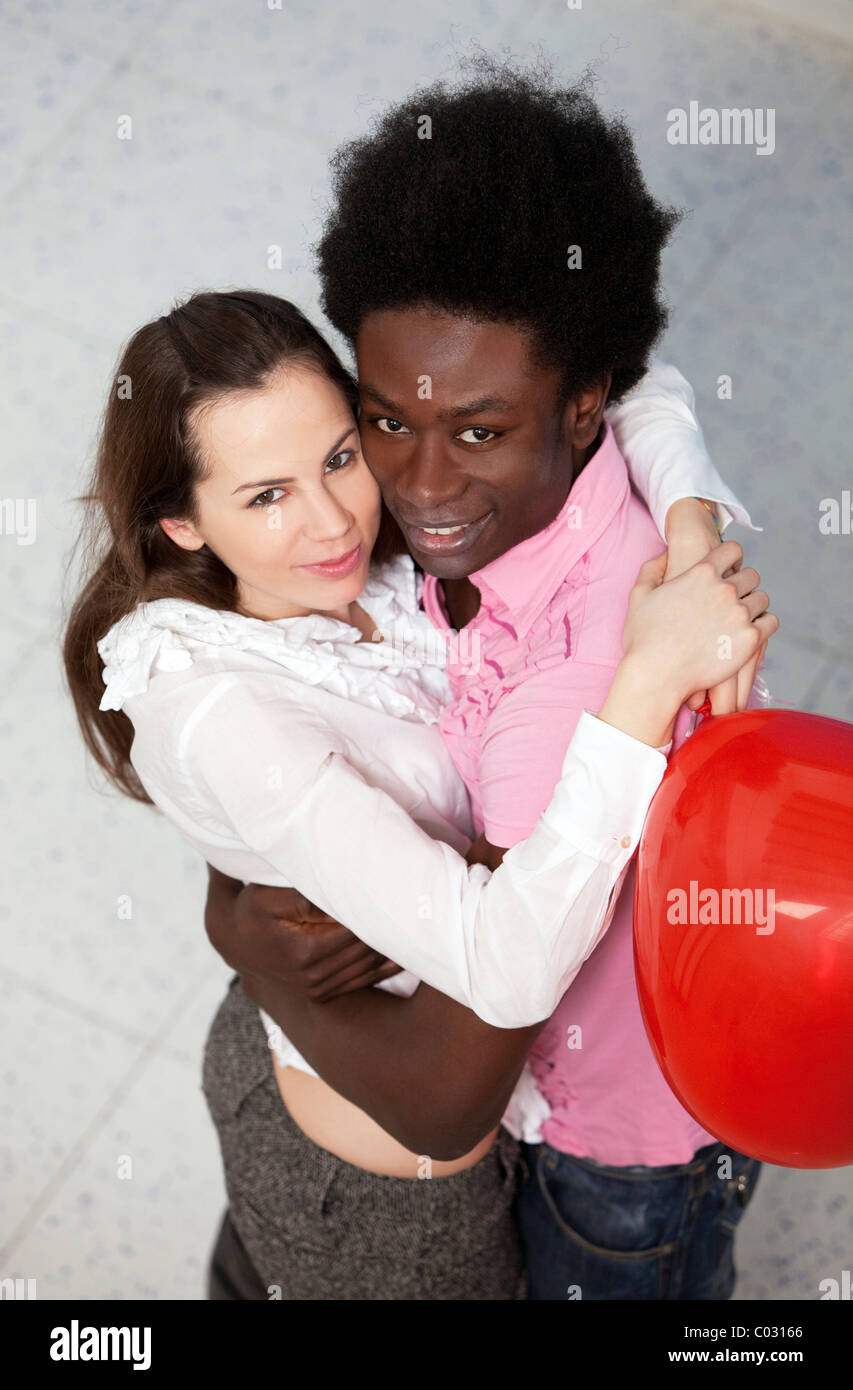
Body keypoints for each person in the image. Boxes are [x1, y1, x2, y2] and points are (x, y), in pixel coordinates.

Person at [201, 58, 776, 1300]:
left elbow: (461, 1055)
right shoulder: (537, 469)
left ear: (582, 410)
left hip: (612, 1156)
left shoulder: (573, 689)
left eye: (476, 431)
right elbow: (633, 391)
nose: (413, 488)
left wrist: (240, 942)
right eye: (385, 421)